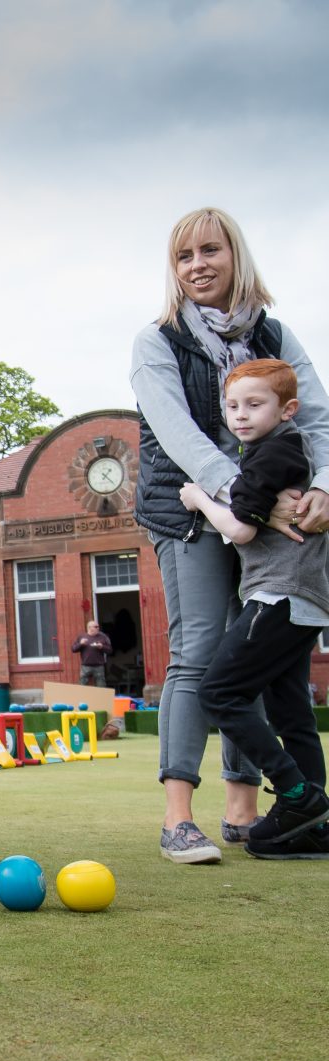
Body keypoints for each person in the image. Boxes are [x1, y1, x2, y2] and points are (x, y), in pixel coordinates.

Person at [130, 207, 329, 863]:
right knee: (200, 651)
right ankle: (178, 818)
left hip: (262, 510)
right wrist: (249, 499)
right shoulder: (157, 341)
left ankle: (246, 807)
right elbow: (180, 434)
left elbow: (319, 420)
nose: (198, 266)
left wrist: (324, 485)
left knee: (269, 663)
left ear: (235, 255)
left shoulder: (275, 334)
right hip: (192, 509)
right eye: (184, 257)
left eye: (210, 250)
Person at [181, 359, 329, 858]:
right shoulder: (287, 450)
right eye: (232, 405)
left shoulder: (272, 455)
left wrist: (199, 496)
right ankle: (313, 826)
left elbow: (241, 529)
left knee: (219, 692)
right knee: (292, 712)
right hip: (305, 598)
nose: (240, 415)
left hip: (279, 594)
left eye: (254, 404)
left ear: (287, 409)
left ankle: (296, 796)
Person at [69, 620, 113, 687]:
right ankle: (81, 697)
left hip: (99, 666)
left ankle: (101, 697)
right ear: (89, 628)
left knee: (101, 686)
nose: (98, 628)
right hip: (85, 666)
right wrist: (81, 644)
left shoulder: (103, 637)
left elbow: (110, 650)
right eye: (96, 627)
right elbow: (73, 649)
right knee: (82, 685)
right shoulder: (81, 637)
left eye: (98, 626)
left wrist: (102, 647)